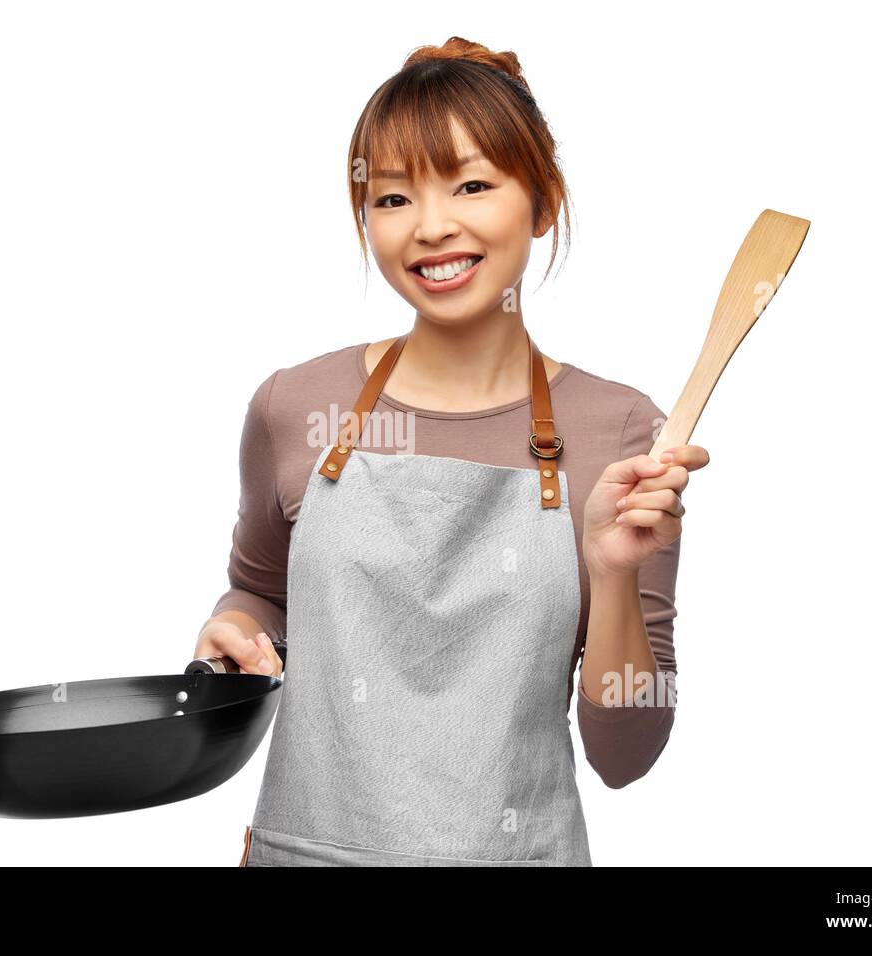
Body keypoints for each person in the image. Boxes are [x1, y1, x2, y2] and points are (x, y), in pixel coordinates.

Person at [194, 36, 710, 867]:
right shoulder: (296, 407)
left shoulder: (620, 433)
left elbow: (627, 753)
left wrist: (613, 573)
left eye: (472, 185)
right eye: (393, 197)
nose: (432, 227)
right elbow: (259, 593)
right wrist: (231, 632)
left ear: (542, 203)